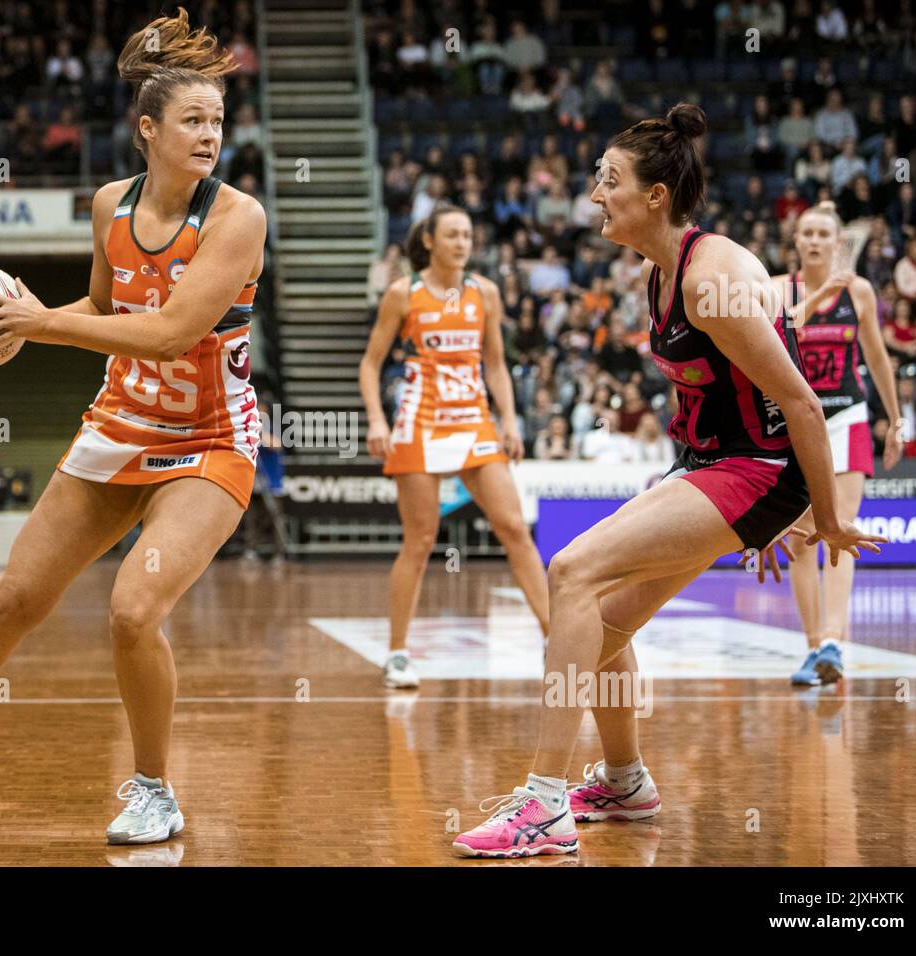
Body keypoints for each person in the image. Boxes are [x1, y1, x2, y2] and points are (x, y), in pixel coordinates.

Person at [0, 9, 265, 846]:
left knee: (134, 609)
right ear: (148, 130)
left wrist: (40, 324)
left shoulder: (238, 218)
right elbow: (103, 308)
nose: (211, 134)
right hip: (121, 421)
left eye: (217, 120)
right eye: (193, 120)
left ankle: (153, 789)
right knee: (11, 602)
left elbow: (172, 330)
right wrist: (14, 328)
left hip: (211, 437)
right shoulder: (110, 206)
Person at [452, 104, 884, 859]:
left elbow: (800, 403)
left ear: (656, 195)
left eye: (608, 180)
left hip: (760, 469)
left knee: (572, 570)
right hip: (713, 466)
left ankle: (545, 806)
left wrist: (816, 514)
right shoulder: (659, 273)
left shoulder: (712, 276)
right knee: (606, 621)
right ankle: (623, 782)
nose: (593, 194)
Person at [360, 204, 550, 691]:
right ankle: (398, 654)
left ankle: (557, 637)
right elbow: (371, 364)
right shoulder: (404, 294)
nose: (463, 242)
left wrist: (510, 420)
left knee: (514, 528)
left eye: (468, 234)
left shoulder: (485, 292)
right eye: (453, 234)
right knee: (421, 542)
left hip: (472, 420)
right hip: (421, 422)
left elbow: (496, 365)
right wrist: (378, 421)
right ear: (430, 241)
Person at [773, 202, 903, 685]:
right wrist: (823, 290)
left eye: (823, 234)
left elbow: (877, 357)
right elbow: (780, 331)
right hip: (796, 421)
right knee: (801, 541)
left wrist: (896, 417)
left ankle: (833, 644)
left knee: (841, 530)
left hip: (847, 416)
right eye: (805, 233)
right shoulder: (778, 289)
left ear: (836, 242)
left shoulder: (861, 292)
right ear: (796, 242)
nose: (813, 241)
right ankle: (813, 649)